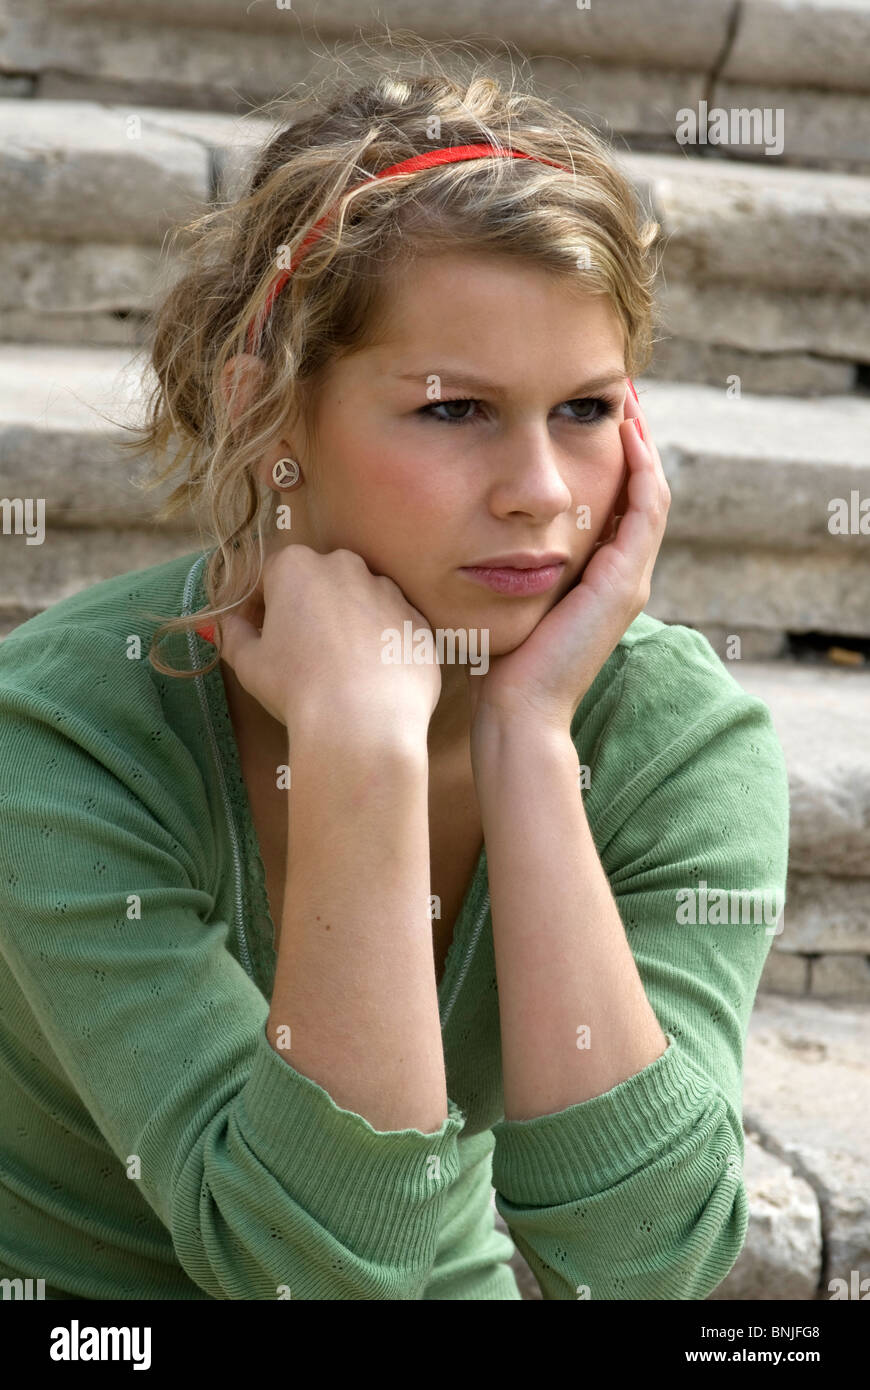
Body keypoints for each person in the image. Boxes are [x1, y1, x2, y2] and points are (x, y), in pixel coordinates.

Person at [0, 48, 789, 1300]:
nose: (540, 490)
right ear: (275, 418)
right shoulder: (64, 735)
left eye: (585, 410)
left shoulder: (676, 739)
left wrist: (530, 744)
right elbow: (300, 1275)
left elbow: (643, 1267)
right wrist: (362, 760)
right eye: (452, 409)